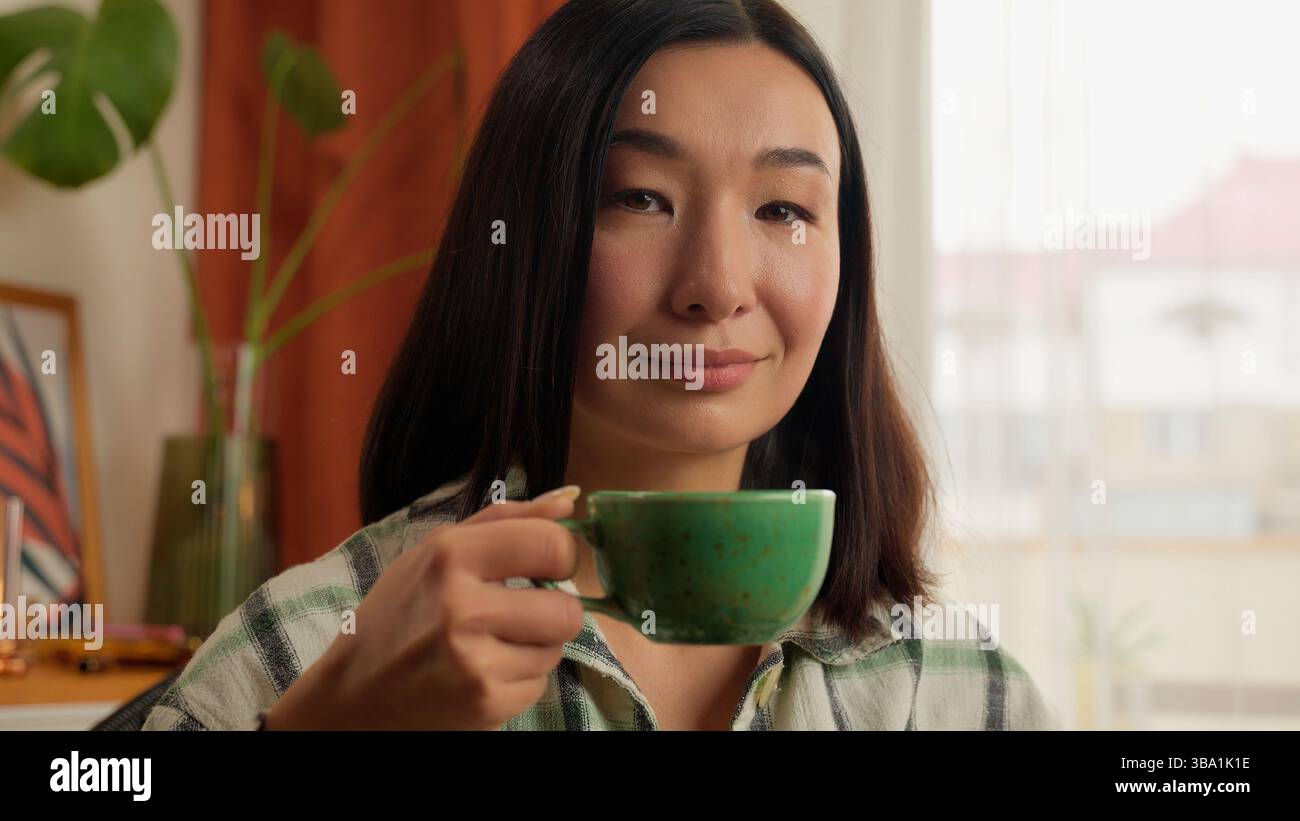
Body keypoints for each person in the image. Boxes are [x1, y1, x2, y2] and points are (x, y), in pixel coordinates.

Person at [144, 0, 1059, 731]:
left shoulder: (948, 688)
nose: (717, 285)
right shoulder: (314, 646)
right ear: (526, 238)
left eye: (784, 210)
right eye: (641, 198)